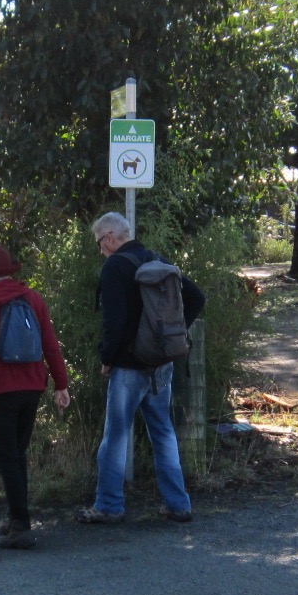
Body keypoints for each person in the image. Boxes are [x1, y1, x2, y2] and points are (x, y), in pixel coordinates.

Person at [82, 212, 205, 525]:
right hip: (161, 364)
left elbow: (115, 322)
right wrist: (171, 336)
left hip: (128, 366)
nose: (100, 250)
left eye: (100, 243)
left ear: (110, 237)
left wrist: (107, 359)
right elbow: (196, 297)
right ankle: (179, 505)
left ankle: (109, 506)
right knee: (163, 432)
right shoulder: (157, 260)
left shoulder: (115, 267)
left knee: (115, 436)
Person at [0, 244, 71, 550]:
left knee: (7, 456)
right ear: (11, 270)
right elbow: (51, 345)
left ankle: (21, 526)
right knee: (17, 453)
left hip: (1, 391)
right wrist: (62, 385)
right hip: (32, 387)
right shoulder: (33, 298)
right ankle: (17, 517)